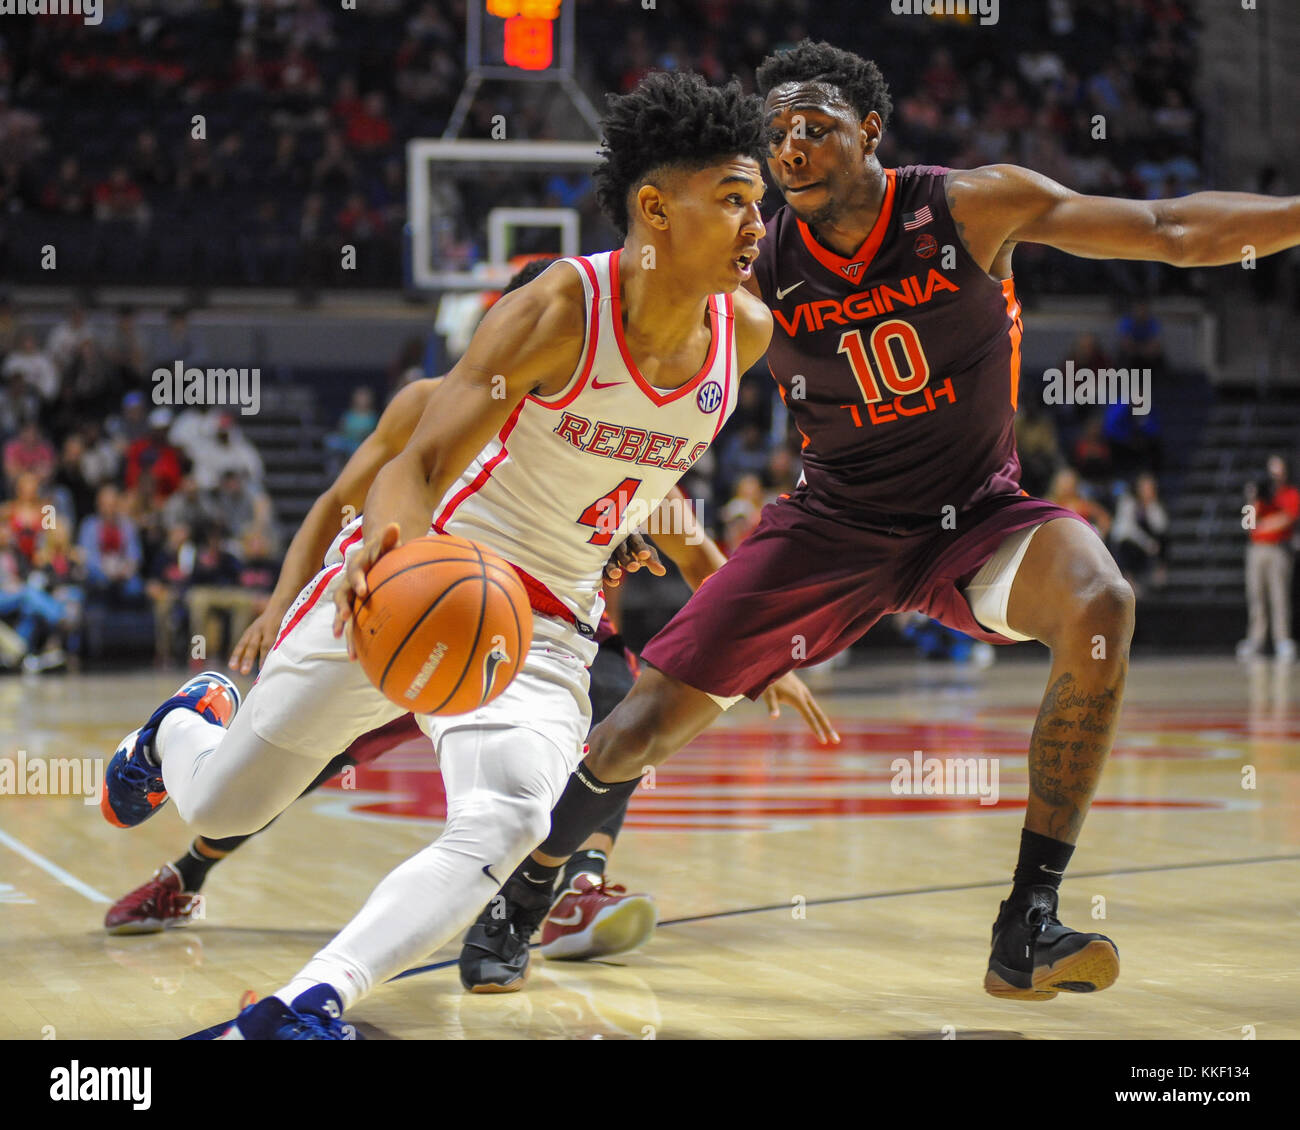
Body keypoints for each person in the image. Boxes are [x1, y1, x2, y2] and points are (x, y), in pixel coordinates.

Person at [507, 41, 1300, 1005]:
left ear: (871, 130)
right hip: (833, 523)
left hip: (981, 515)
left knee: (1102, 600)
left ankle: (1028, 923)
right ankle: (534, 892)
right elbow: (656, 368)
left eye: (815, 128)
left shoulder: (969, 205)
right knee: (636, 727)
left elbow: (1171, 227)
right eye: (779, 134)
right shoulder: (755, 258)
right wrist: (622, 490)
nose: (791, 148)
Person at [102, 73, 824, 1039]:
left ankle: (301, 1008)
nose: (755, 225)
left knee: (515, 816)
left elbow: (652, 489)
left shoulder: (746, 337)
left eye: (761, 205)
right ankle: (184, 727)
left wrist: (744, 626)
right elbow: (423, 458)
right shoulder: (559, 309)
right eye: (735, 199)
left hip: (542, 628)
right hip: (427, 571)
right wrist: (389, 547)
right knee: (224, 800)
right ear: (655, 206)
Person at [1238, 454, 1299, 660]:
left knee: (1279, 596)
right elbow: (1248, 526)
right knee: (1256, 595)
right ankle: (1256, 639)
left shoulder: (1290, 494)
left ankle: (1282, 639)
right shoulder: (1259, 497)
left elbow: (1287, 519)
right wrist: (1252, 499)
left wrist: (1265, 524)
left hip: (1278, 550)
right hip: (1257, 550)